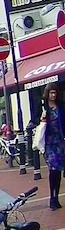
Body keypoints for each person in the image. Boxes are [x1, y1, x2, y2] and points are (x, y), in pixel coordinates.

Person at [35, 82, 65, 210]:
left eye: (55, 92)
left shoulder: (60, 106)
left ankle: (56, 197)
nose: (53, 95)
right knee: (53, 169)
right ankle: (52, 198)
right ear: (47, 94)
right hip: (49, 142)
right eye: (51, 93)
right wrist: (41, 119)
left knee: (58, 170)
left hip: (60, 141)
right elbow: (34, 120)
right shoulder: (43, 107)